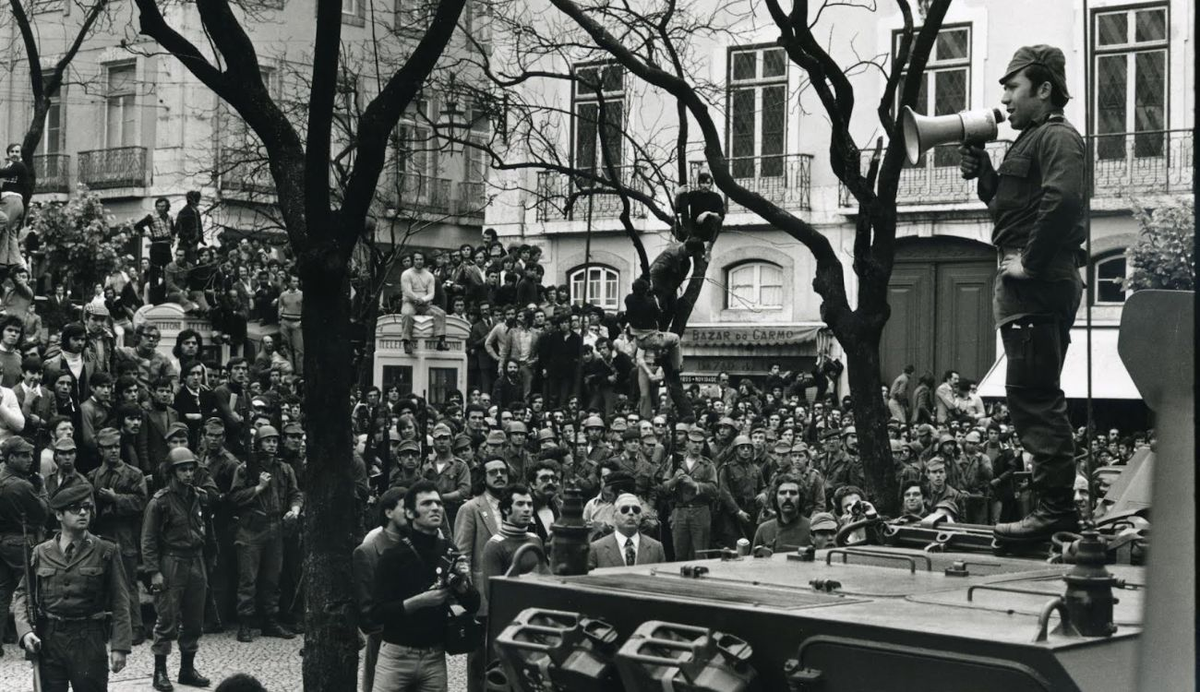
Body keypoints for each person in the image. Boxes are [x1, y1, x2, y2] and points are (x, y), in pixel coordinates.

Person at [960, 44, 1085, 541]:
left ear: (1044, 89)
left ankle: (1055, 510)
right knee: (1029, 394)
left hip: (1036, 285)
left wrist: (1029, 263)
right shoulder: (1032, 140)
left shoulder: (1056, 137)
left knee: (1033, 396)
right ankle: (1053, 507)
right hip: (1029, 288)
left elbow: (1063, 200)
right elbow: (1015, 206)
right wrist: (986, 176)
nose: (1005, 98)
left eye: (1013, 87)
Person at [13, 482, 132, 690]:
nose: (83, 512)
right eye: (75, 509)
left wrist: (120, 646)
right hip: (49, 641)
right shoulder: (41, 553)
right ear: (59, 515)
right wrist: (25, 631)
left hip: (89, 640)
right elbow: (23, 594)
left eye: (87, 507)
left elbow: (121, 601)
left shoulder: (106, 551)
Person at [372, 480, 480, 692]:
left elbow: (473, 604)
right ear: (411, 514)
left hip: (434, 657)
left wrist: (463, 586)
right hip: (396, 656)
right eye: (427, 504)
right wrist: (418, 602)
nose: (436, 508)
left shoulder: (448, 549)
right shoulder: (393, 556)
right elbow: (376, 613)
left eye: (438, 503)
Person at [142, 447, 214, 691]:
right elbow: (148, 540)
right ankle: (160, 672)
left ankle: (187, 669)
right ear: (172, 472)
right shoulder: (159, 502)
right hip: (171, 561)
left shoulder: (200, 496)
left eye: (191, 469)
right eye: (183, 469)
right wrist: (154, 571)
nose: (188, 474)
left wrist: (210, 559)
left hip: (196, 560)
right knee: (166, 620)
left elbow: (208, 530)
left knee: (194, 619)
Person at [227, 425, 301, 642]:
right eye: (267, 441)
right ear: (258, 444)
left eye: (275, 441)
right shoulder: (244, 469)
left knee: (272, 578)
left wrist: (295, 510)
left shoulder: (284, 469)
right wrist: (258, 488)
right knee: (248, 578)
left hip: (276, 526)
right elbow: (234, 498)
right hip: (251, 528)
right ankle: (245, 623)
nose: (272, 445)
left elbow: (295, 493)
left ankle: (270, 620)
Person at [87, 426, 148, 645]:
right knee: (99, 582)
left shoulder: (134, 474)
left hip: (125, 535)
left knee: (128, 583)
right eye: (108, 447)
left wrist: (116, 499)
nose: (114, 451)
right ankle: (102, 627)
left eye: (116, 446)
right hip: (101, 534)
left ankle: (136, 628)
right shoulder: (93, 477)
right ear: (100, 450)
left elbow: (142, 503)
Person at [353, 487, 407, 692]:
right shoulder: (368, 550)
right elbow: (367, 616)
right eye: (406, 508)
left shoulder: (418, 545)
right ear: (388, 512)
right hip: (385, 645)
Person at [0, 435, 50, 655]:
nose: (29, 459)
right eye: (23, 455)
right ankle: (31, 642)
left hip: (3, 541)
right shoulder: (21, 486)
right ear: (10, 458)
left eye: (30, 454)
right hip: (21, 540)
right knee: (30, 591)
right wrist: (41, 487)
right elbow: (43, 512)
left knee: (2, 594)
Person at [661, 425, 718, 561]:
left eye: (700, 442)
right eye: (693, 442)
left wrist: (695, 485)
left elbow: (714, 490)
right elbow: (664, 487)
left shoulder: (707, 465)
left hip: (700, 511)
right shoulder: (676, 463)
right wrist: (675, 479)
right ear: (687, 443)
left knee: (700, 553)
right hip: (680, 511)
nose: (697, 445)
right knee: (679, 554)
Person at [588, 492, 665, 568]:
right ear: (614, 516)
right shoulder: (597, 549)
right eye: (625, 510)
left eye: (636, 510)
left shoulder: (656, 548)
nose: (631, 513)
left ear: (641, 516)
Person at [399, 251, 448, 355]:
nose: (419, 261)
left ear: (424, 260)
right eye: (416, 259)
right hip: (410, 302)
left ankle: (441, 341)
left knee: (440, 313)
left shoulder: (429, 276)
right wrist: (417, 299)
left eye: (421, 259)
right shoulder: (406, 274)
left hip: (424, 303)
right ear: (413, 260)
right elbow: (407, 291)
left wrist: (423, 300)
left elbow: (431, 294)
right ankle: (406, 342)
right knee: (407, 314)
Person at [751, 473, 812, 554]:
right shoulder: (764, 530)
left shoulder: (811, 528)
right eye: (782, 493)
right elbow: (753, 563)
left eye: (793, 493)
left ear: (801, 497)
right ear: (775, 497)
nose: (787, 497)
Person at [0, 143, 31, 280]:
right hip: (18, 202)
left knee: (5, 229)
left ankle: (2, 260)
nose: (14, 154)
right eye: (12, 151)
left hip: (11, 199)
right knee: (12, 232)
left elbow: (4, 174)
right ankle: (15, 261)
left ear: (20, 154)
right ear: (8, 153)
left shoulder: (18, 165)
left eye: (17, 151)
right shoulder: (12, 166)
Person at [673, 171, 724, 244]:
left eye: (707, 183)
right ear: (699, 184)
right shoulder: (693, 195)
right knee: (674, 228)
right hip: (694, 229)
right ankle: (686, 245)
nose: (705, 186)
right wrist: (678, 195)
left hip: (708, 230)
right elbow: (678, 209)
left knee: (717, 219)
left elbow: (721, 215)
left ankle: (709, 246)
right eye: (702, 183)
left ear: (711, 185)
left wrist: (707, 213)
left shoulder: (716, 197)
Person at [175, 191, 203, 263]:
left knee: (192, 262)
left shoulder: (196, 211)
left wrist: (200, 238)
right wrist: (188, 240)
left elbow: (199, 226)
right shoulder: (184, 212)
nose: (198, 201)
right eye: (196, 199)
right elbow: (178, 227)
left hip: (194, 242)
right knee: (186, 263)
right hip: (186, 243)